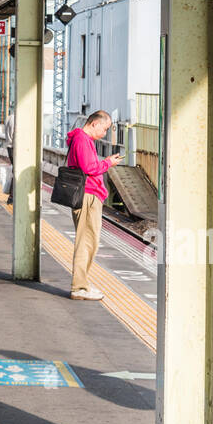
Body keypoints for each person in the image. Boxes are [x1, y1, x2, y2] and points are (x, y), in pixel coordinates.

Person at [65, 110, 122, 301]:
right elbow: (89, 168)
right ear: (94, 124)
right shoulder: (82, 139)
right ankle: (79, 286)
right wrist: (108, 163)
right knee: (86, 242)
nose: (104, 134)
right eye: (104, 129)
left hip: (88, 194)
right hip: (87, 195)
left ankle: (82, 284)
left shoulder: (81, 139)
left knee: (89, 241)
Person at [4, 108, 15, 205]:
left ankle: (12, 196)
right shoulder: (17, 119)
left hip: (9, 146)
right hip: (15, 148)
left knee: (14, 171)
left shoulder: (9, 117)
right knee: (17, 172)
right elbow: (15, 135)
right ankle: (12, 197)